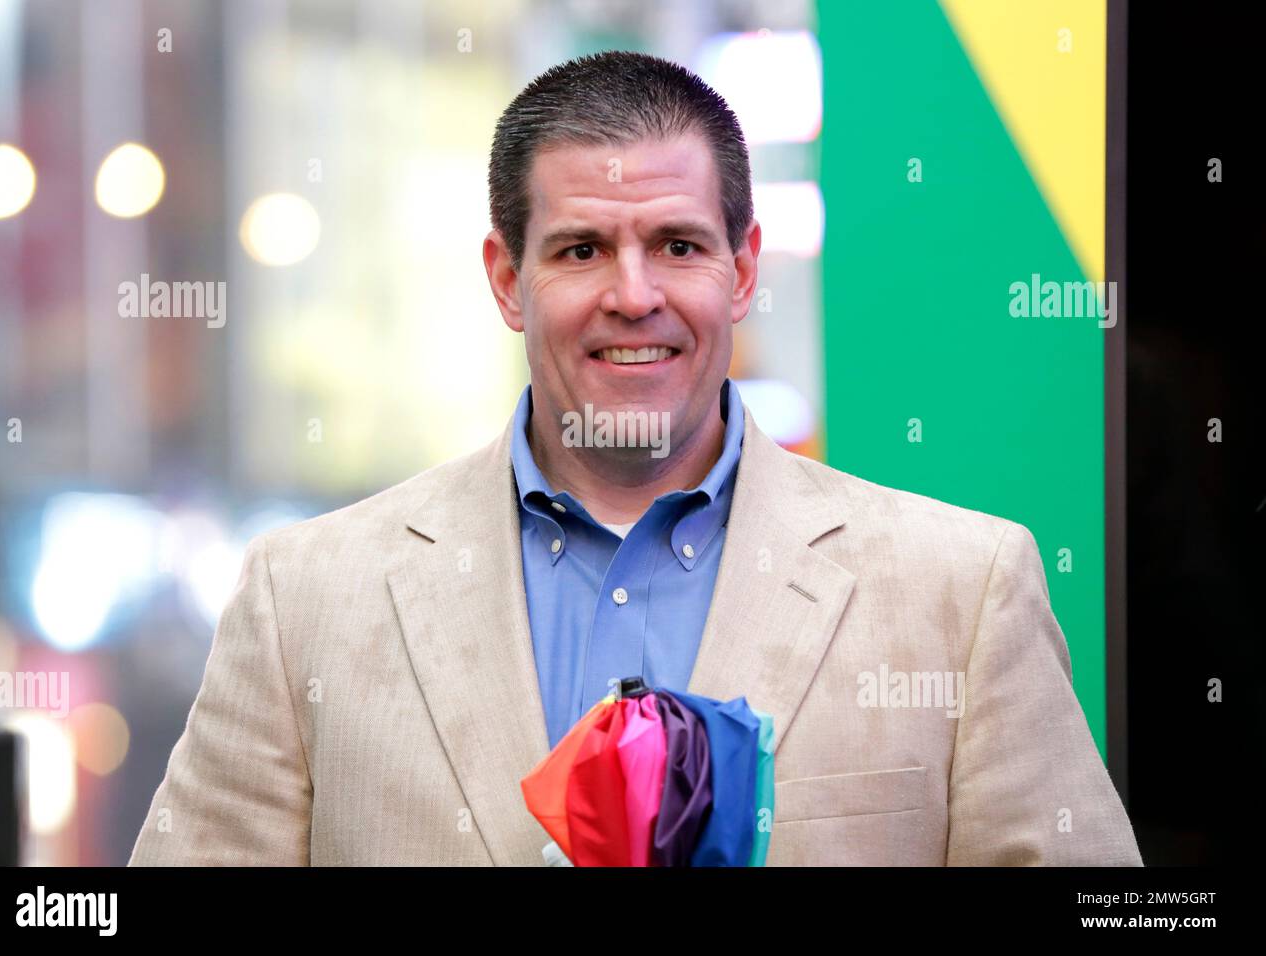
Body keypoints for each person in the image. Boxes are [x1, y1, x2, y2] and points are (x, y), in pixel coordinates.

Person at [129, 50, 1141, 866]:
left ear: (742, 268)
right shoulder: (304, 599)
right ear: (506, 277)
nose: (633, 294)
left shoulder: (959, 591)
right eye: (579, 251)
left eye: (677, 244)